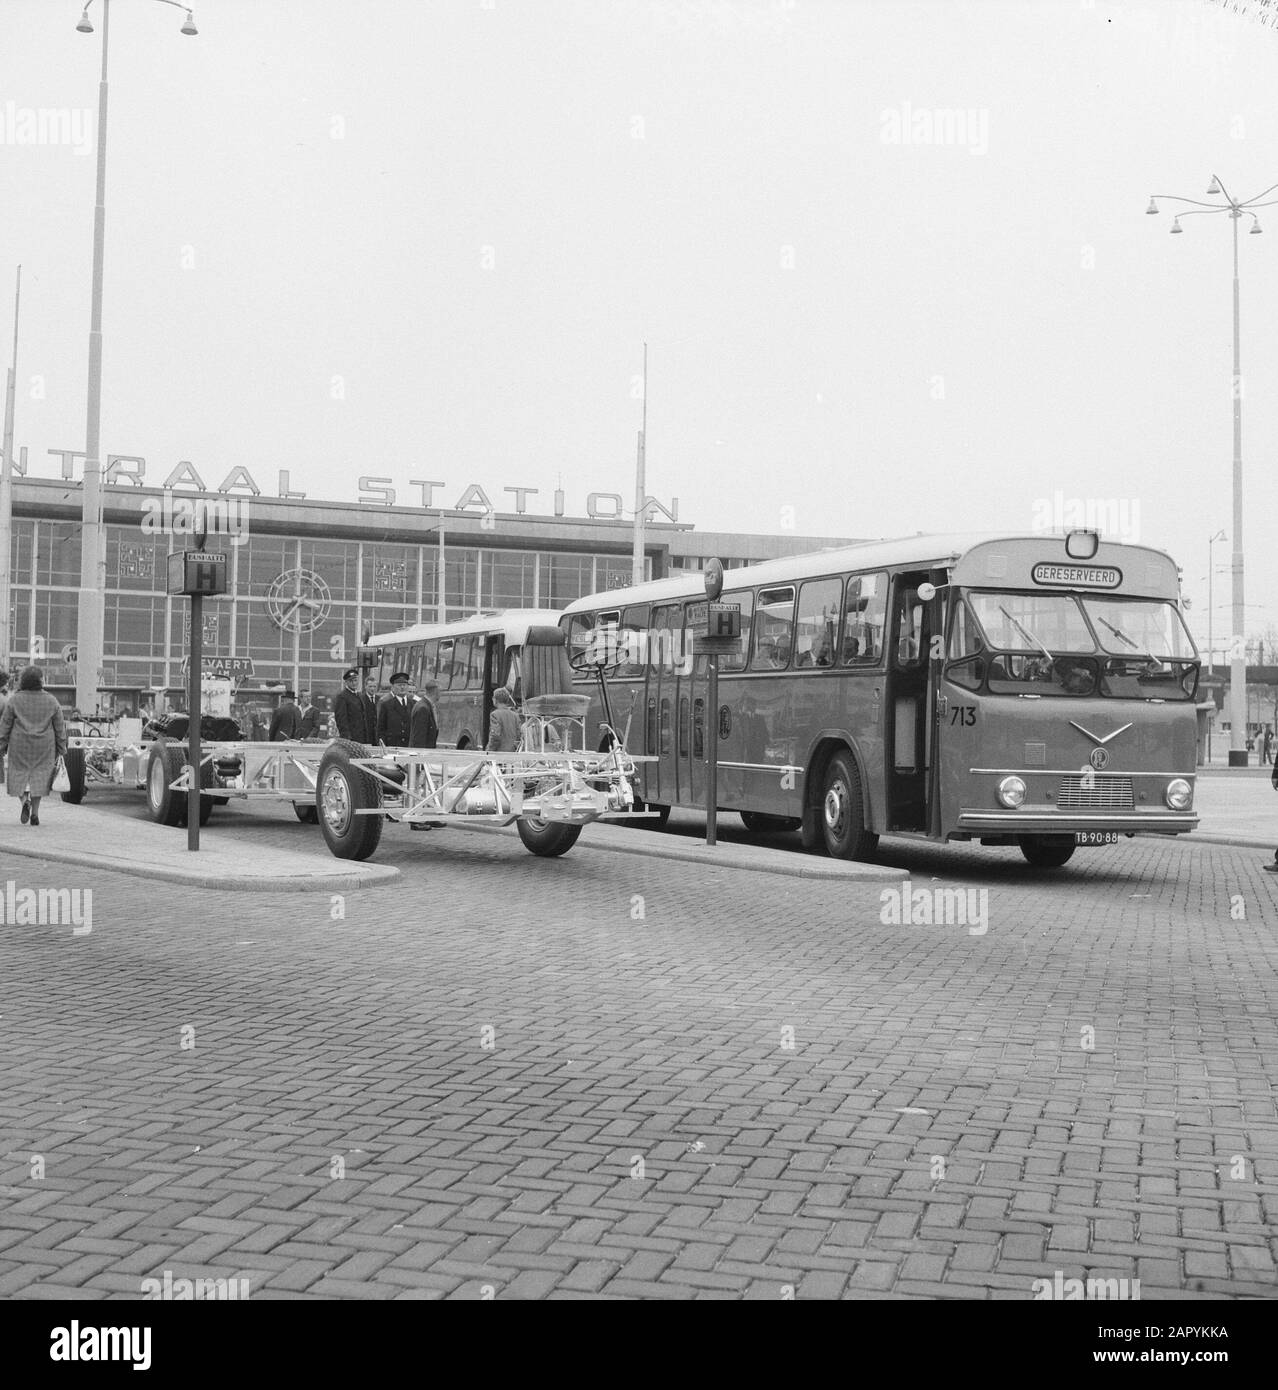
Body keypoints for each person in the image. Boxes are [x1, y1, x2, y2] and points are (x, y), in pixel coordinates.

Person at [0, 665, 68, 827]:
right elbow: (60, 726)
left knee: (18, 775)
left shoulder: (14, 700)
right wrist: (62, 748)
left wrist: (1, 746)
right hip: (44, 746)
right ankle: (35, 814)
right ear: (40, 680)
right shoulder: (51, 700)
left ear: (23, 681)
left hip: (19, 745)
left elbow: (5, 725)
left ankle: (24, 801)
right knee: (39, 778)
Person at [334, 668, 372, 743]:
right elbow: (341, 719)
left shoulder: (359, 695)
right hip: (351, 737)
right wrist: (346, 737)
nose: (354, 683)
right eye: (351, 681)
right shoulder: (342, 696)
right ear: (346, 682)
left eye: (355, 680)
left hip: (362, 736)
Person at [377, 672, 414, 747]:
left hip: (409, 746)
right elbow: (381, 728)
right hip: (392, 745)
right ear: (393, 687)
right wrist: (383, 745)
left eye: (404, 685)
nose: (402, 687)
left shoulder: (414, 704)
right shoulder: (387, 705)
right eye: (399, 685)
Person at [486, 686, 521, 753]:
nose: (492, 699)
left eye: (493, 697)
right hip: (512, 753)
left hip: (499, 754)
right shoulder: (515, 715)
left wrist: (489, 750)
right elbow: (519, 735)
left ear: (496, 700)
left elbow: (495, 736)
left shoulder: (495, 715)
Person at [410, 679, 439, 749]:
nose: (442, 694)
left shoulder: (427, 706)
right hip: (422, 754)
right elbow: (419, 737)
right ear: (436, 691)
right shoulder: (423, 708)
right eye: (441, 691)